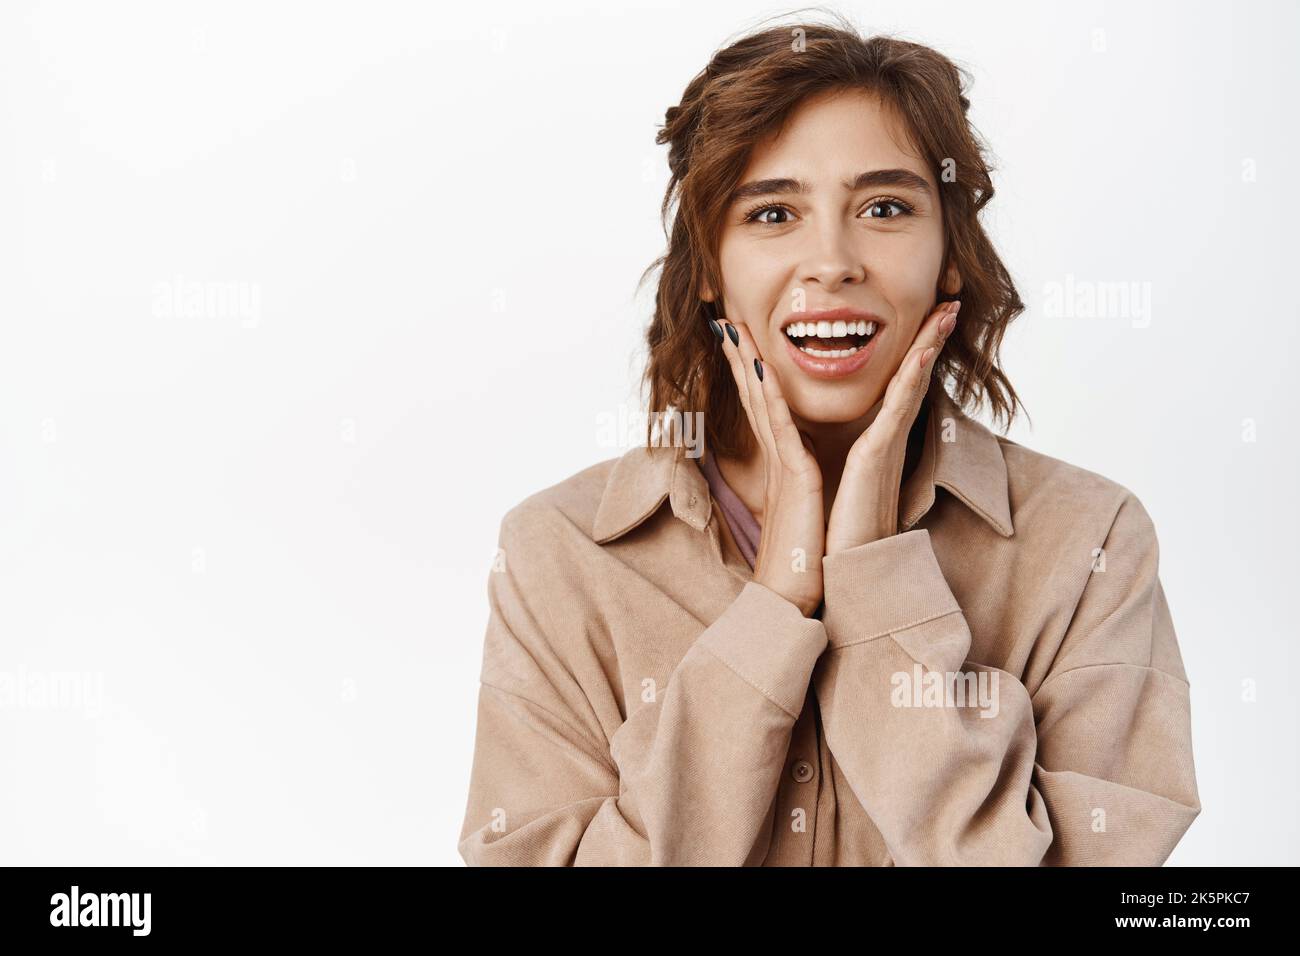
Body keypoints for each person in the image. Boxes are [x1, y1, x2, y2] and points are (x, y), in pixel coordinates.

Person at [456, 16, 1201, 866]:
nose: (832, 261)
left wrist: (877, 586)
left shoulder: (1089, 541)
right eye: (773, 213)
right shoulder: (557, 552)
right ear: (709, 264)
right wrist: (773, 608)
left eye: (885, 208)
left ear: (949, 255)